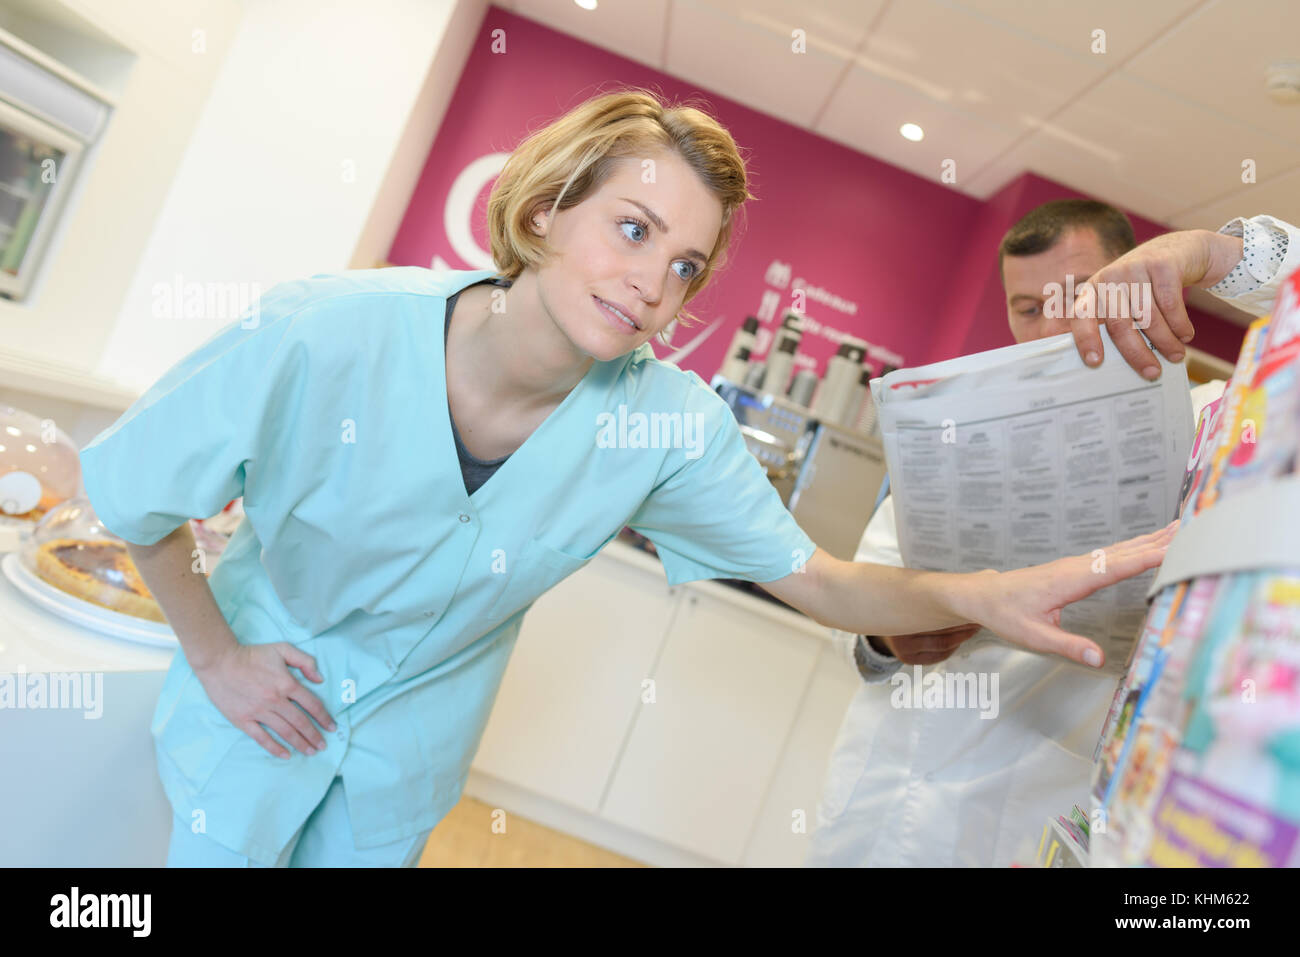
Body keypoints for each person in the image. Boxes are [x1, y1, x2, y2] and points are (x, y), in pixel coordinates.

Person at [79, 91, 1175, 868]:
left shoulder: (664, 424)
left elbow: (819, 579)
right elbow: (136, 491)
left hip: (396, 778)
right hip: (247, 725)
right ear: (545, 209)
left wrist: (978, 594)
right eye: (634, 229)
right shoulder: (327, 328)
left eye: (686, 263)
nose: (654, 282)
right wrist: (214, 654)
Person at [806, 202, 1300, 867]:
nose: (1054, 325)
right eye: (1028, 307)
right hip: (873, 809)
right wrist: (883, 638)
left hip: (1021, 818)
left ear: (1134, 279)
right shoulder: (955, 422)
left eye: (1078, 294)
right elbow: (857, 601)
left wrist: (1215, 253)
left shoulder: (1210, 425)